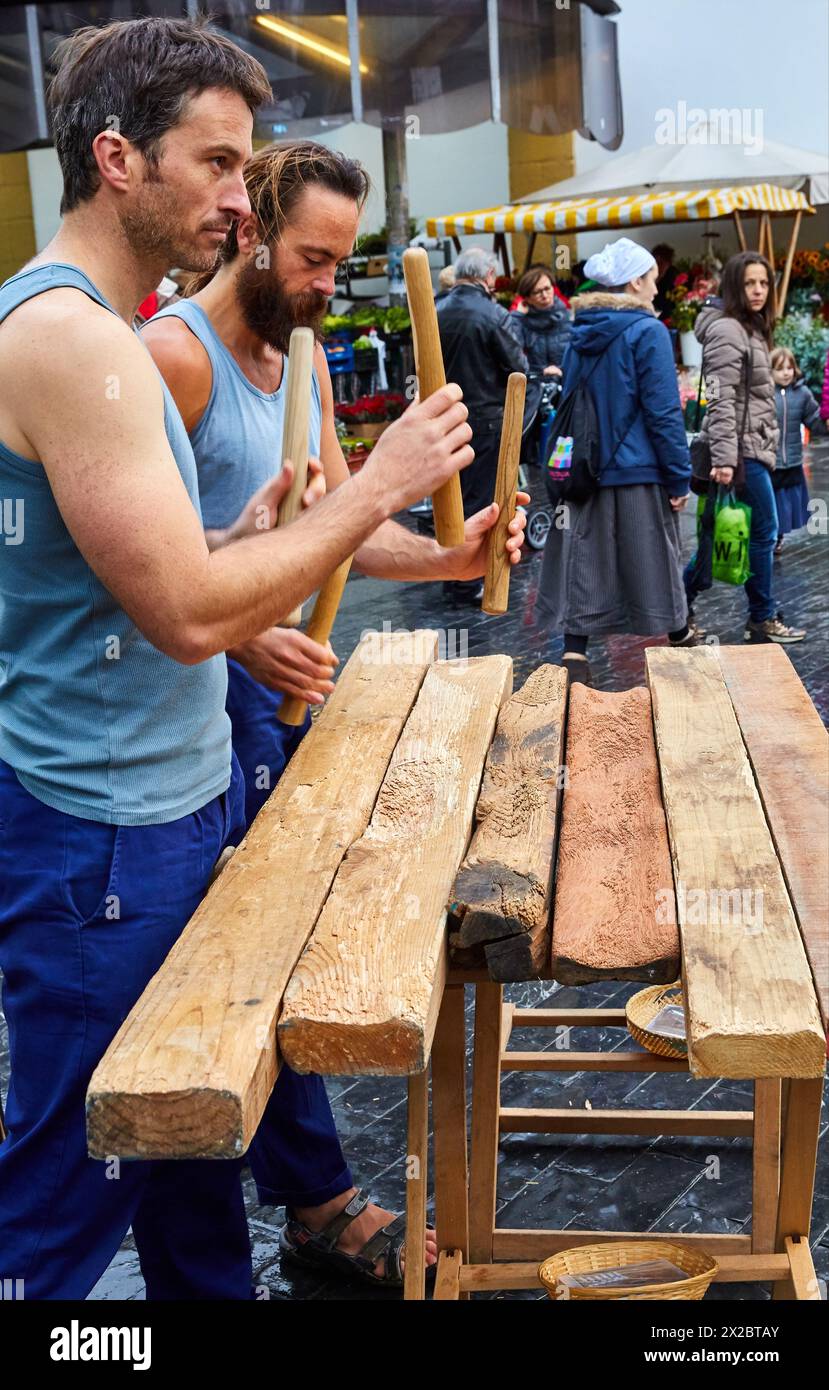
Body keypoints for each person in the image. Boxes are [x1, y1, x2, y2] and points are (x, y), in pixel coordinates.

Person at [0, 14, 479, 1301]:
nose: (236, 197)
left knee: (194, 1141)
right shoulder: (76, 340)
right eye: (215, 163)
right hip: (100, 828)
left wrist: (236, 538)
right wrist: (376, 484)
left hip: (168, 795)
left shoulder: (102, 329)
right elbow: (193, 617)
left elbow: (152, 568)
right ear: (116, 157)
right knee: (70, 1186)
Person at [141, 139, 528, 1287]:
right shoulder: (174, 359)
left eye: (341, 260)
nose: (326, 282)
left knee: (286, 946)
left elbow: (341, 526)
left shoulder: (298, 357)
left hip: (277, 706)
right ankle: (295, 1200)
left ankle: (311, 1193)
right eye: (312, 258)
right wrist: (235, 623)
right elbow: (131, 566)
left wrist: (445, 554)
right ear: (247, 229)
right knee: (223, 972)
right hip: (187, 721)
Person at [536, 237, 694, 686]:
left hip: (586, 465)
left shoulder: (581, 331)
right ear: (634, 281)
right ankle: (680, 636)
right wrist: (679, 477)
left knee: (586, 555)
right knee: (653, 556)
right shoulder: (649, 332)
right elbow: (664, 412)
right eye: (652, 281)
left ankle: (575, 651)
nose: (657, 292)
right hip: (635, 467)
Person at [689, 253, 806, 643]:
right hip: (739, 453)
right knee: (764, 531)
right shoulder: (728, 331)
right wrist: (724, 459)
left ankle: (678, 608)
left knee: (712, 536)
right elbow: (721, 399)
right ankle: (761, 617)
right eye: (749, 283)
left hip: (748, 446)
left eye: (763, 283)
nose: (758, 290)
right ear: (734, 287)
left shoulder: (750, 328)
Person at [436, 246, 529, 602]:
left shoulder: (434, 308)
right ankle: (467, 578)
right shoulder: (493, 314)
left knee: (450, 499)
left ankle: (451, 572)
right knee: (481, 502)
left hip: (445, 417)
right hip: (486, 422)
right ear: (489, 276)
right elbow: (518, 368)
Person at [509, 264, 572, 465]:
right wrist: (517, 317)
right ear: (526, 298)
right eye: (538, 292)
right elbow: (512, 355)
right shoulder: (520, 322)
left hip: (566, 388)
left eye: (548, 288)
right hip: (535, 390)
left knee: (565, 449)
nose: (545, 295)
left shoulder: (568, 317)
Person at [770, 346, 824, 555]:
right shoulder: (765, 393)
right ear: (770, 371)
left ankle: (778, 537)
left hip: (791, 459)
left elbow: (813, 420)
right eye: (780, 369)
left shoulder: (802, 394)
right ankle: (769, 535)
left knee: (784, 504)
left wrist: (824, 423)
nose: (786, 373)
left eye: (789, 368)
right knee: (770, 501)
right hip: (770, 460)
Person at [653, 242, 679, 320]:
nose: (658, 266)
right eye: (655, 263)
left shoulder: (673, 278)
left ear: (668, 263)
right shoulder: (649, 277)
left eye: (661, 263)